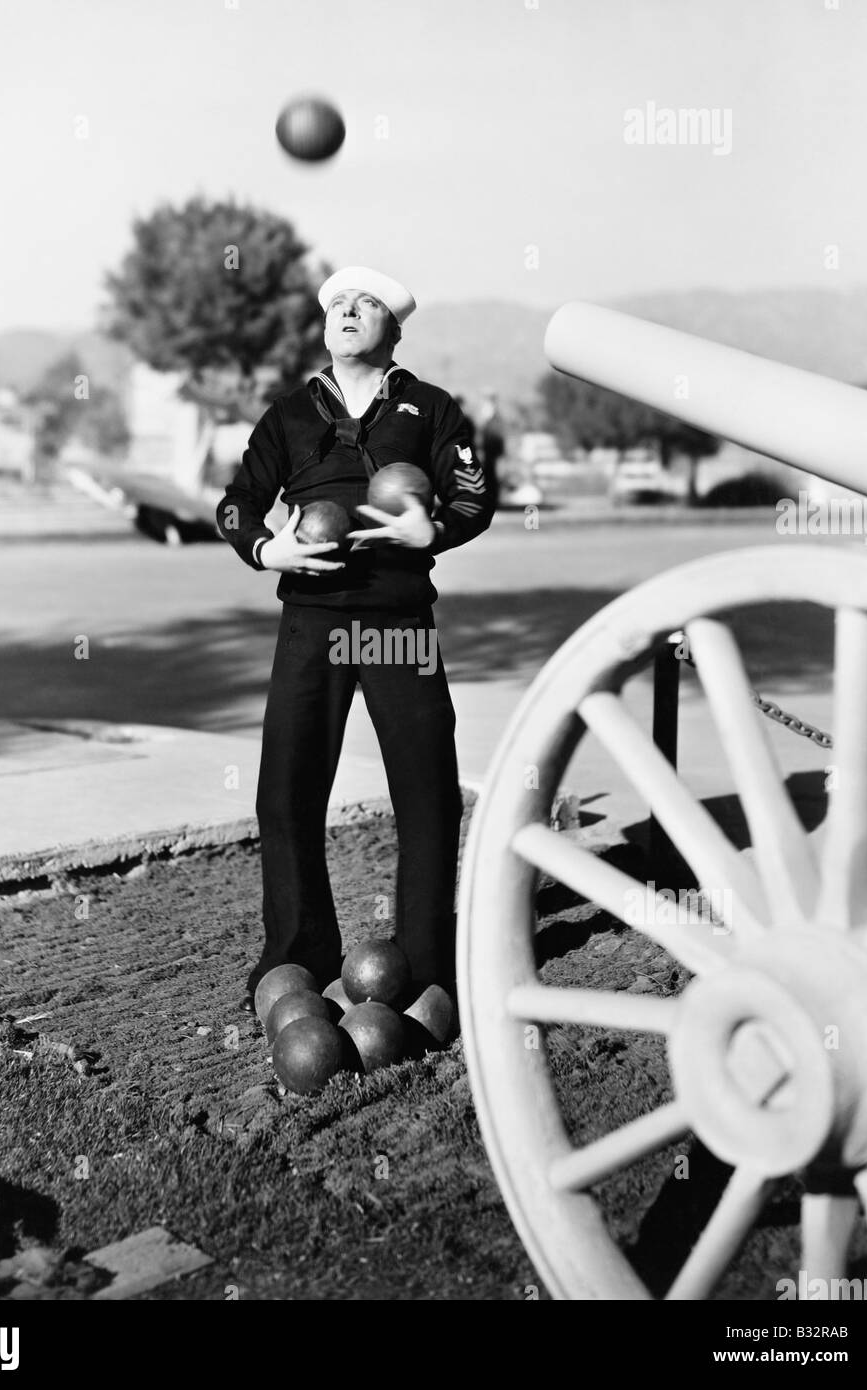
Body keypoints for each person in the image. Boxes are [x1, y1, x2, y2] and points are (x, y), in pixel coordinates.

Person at [216, 266, 494, 1012]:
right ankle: (297, 954)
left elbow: (473, 495)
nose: (348, 310)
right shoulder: (288, 414)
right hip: (313, 620)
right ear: (324, 325)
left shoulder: (430, 408)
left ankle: (429, 963)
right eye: (337, 302)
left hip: (397, 622)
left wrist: (435, 529)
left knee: (427, 792)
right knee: (286, 794)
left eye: (366, 304)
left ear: (393, 330)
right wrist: (268, 549)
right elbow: (237, 504)